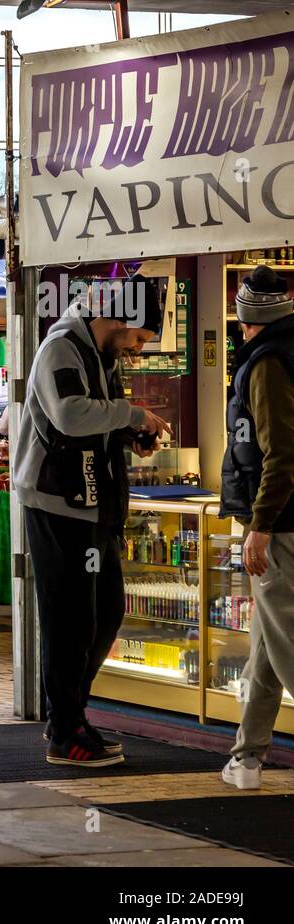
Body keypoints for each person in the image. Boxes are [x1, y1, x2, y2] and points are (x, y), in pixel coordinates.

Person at [15, 276, 171, 767]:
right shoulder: (61, 349)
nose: (138, 349)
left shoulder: (100, 354)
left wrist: (131, 434)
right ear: (120, 320)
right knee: (70, 620)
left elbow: (97, 422)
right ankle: (66, 730)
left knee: (104, 616)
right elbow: (69, 416)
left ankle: (70, 717)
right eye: (140, 338)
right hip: (58, 504)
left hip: (95, 505)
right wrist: (132, 413)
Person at [219, 266, 294, 790]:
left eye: (243, 323)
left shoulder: (268, 363)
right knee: (265, 650)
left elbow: (281, 455)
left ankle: (247, 758)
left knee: (288, 643)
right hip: (284, 522)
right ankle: (246, 759)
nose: (240, 331)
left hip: (283, 524)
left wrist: (261, 525)